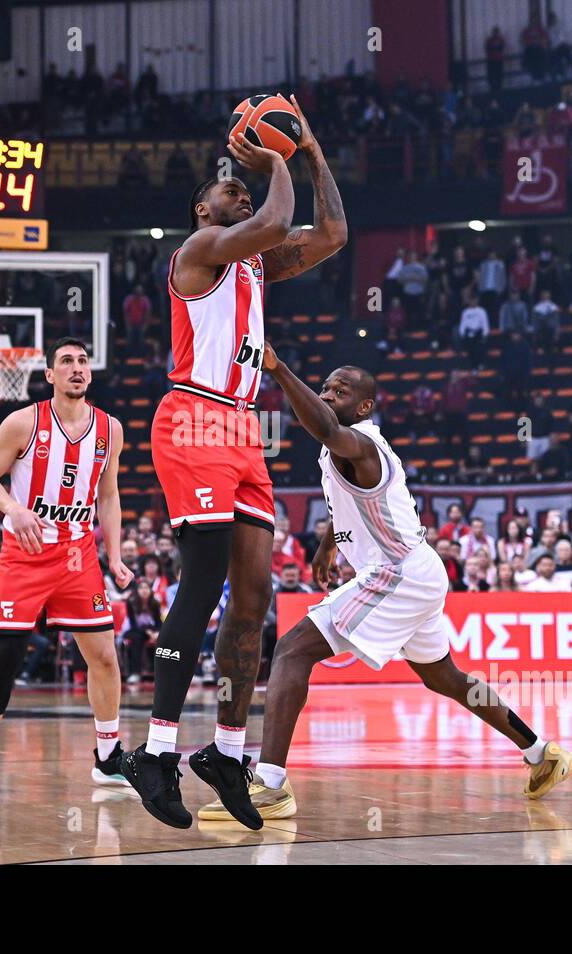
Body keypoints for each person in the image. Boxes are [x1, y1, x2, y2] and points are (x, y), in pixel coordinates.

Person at [200, 347, 572, 823]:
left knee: (293, 651)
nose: (328, 393)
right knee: (446, 678)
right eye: (326, 387)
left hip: (398, 572)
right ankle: (542, 752)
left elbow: (327, 430)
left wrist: (277, 369)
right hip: (418, 571)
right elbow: (345, 498)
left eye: (341, 390)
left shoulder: (359, 440)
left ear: (363, 407)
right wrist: (328, 543)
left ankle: (271, 785)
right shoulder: (343, 447)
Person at [126, 95, 346, 831]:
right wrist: (280, 155)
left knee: (255, 602)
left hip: (244, 428)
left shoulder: (253, 264)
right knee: (206, 578)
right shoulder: (196, 255)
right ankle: (154, 752)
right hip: (191, 414)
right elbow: (276, 222)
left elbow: (333, 232)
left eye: (245, 187)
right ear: (200, 210)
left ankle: (223, 751)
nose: (241, 190)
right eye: (229, 188)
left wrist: (311, 154)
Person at [0, 337, 133, 795]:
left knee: (103, 656)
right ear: (50, 376)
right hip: (27, 553)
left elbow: (109, 495)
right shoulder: (23, 422)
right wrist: (13, 510)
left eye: (82, 361)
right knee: (9, 655)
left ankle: (108, 754)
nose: (76, 368)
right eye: (66, 362)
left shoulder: (110, 429)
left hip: (79, 556)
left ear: (89, 374)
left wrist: (114, 554)